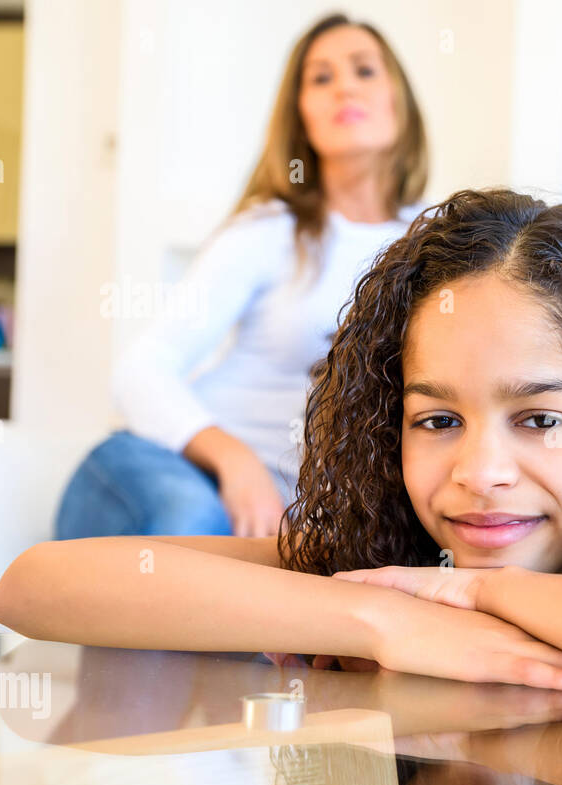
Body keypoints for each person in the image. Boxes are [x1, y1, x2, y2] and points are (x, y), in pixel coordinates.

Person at [0, 189, 562, 731]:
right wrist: (387, 620)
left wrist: (473, 590)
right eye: (437, 418)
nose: (480, 471)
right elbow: (36, 585)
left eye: (541, 418)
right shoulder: (395, 558)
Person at [55, 13, 429, 539]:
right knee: (196, 527)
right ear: (301, 116)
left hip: (295, 513)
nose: (344, 85)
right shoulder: (270, 230)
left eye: (364, 70)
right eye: (321, 78)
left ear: (398, 99)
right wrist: (236, 464)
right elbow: (140, 369)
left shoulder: (434, 241)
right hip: (176, 471)